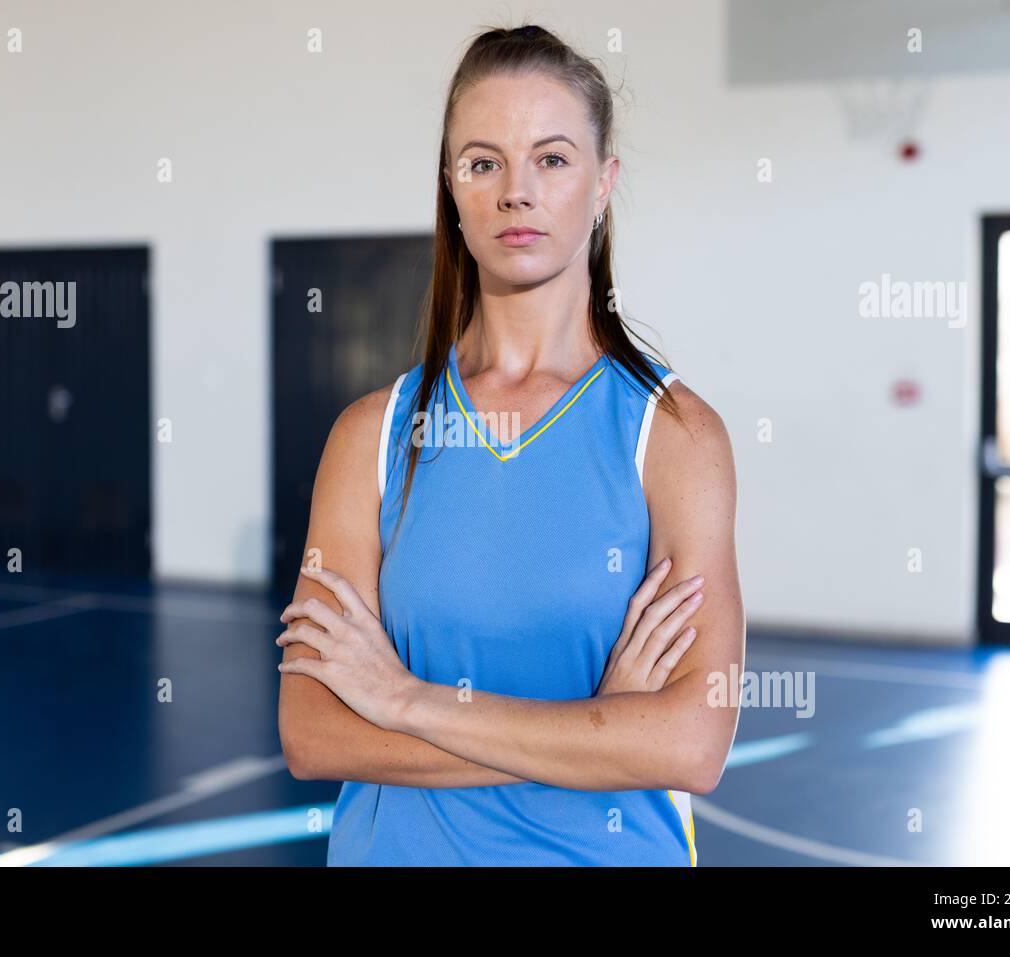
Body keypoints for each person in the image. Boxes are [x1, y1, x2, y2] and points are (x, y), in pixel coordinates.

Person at [277, 23, 744, 866]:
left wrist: (399, 700)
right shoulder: (370, 437)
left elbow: (690, 743)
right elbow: (312, 732)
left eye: (553, 160)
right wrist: (596, 728)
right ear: (452, 188)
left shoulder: (674, 437)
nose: (515, 193)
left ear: (604, 185)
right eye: (483, 162)